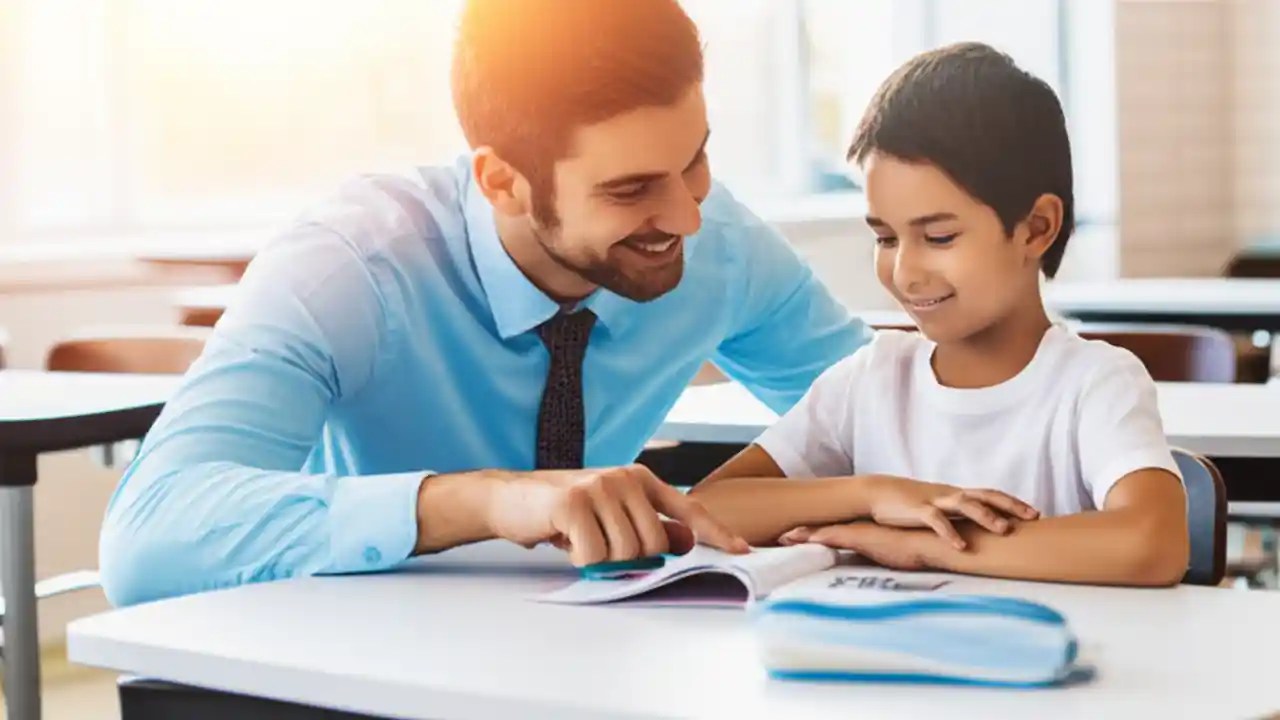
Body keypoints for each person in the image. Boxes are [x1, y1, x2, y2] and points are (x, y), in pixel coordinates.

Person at [102, 1, 1026, 606]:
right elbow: (147, 544)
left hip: (584, 649)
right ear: (503, 182)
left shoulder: (723, 243)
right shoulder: (349, 267)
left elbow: (893, 416)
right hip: (339, 659)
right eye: (630, 191)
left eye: (696, 157)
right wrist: (490, 500)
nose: (685, 213)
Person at [693, 43, 1191, 587]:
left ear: (1035, 228)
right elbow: (708, 508)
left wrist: (924, 546)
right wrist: (871, 494)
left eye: (939, 237)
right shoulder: (870, 379)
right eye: (884, 237)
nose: (904, 272)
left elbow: (1152, 543)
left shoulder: (1094, 383)